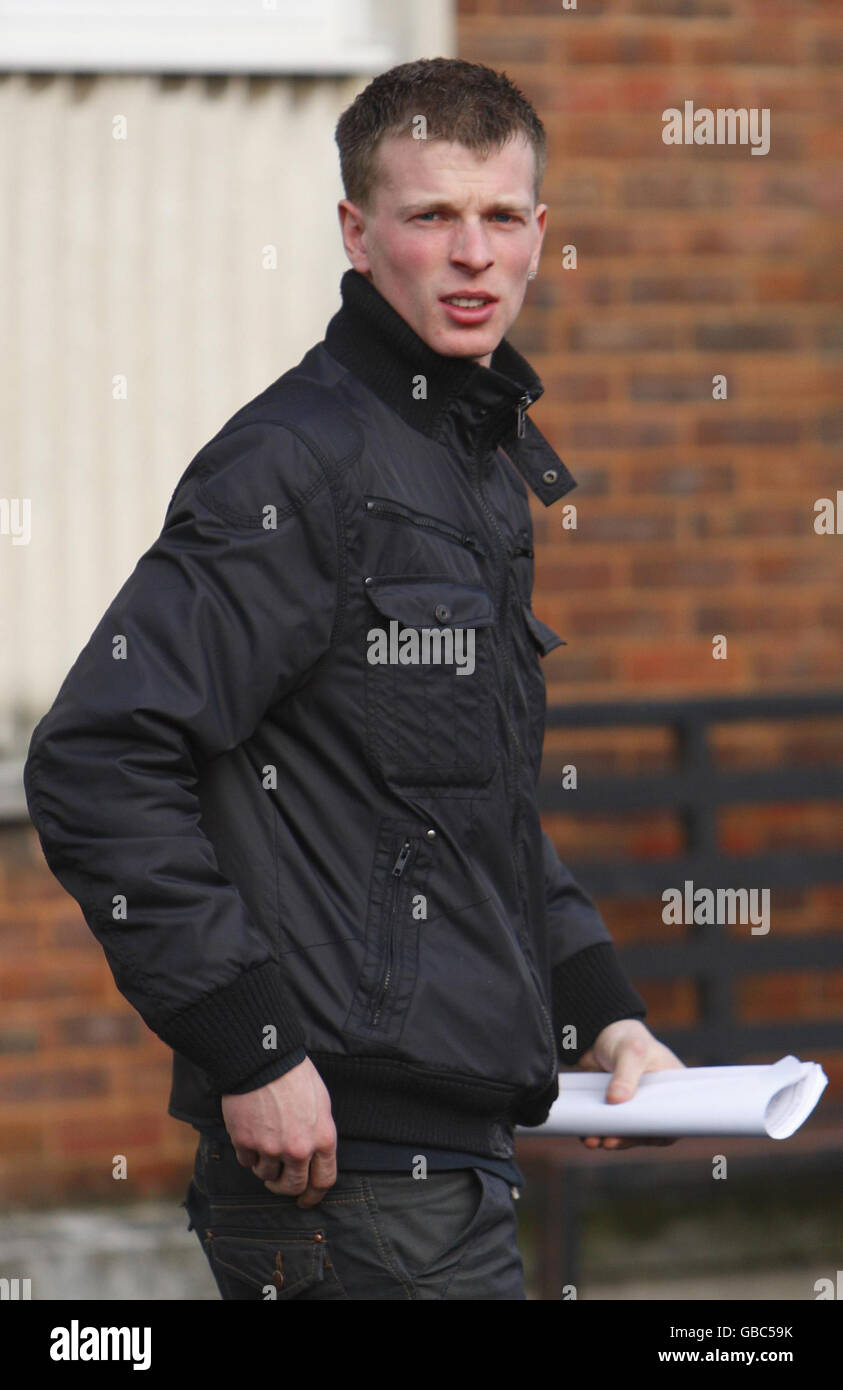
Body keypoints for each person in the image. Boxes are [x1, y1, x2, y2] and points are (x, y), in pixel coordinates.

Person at [23, 57, 685, 1301]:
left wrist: (603, 1014)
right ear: (357, 230)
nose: (472, 253)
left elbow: (458, 799)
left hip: (445, 1167)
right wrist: (249, 1043)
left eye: (500, 218)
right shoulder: (295, 465)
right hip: (349, 1189)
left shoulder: (469, 465)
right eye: (432, 216)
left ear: (542, 236)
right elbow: (95, 757)